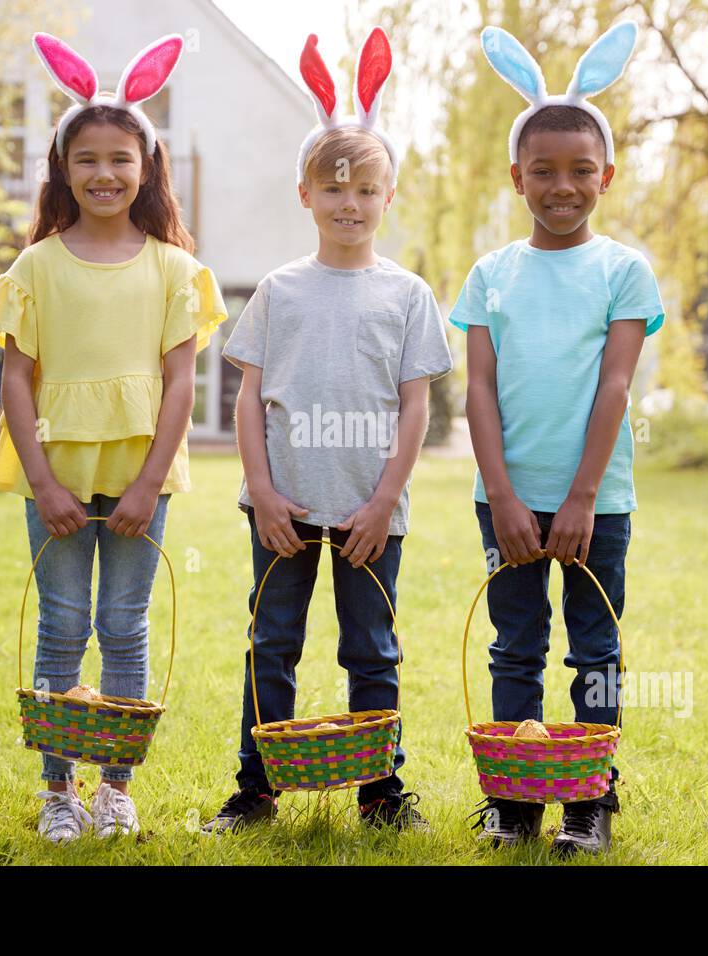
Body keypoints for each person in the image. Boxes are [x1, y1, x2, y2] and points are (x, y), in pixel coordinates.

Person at [200, 29, 453, 834]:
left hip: (368, 512)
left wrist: (385, 500)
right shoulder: (278, 291)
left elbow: (416, 407)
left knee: (371, 650)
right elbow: (249, 400)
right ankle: (256, 787)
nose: (351, 202)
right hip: (282, 506)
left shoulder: (408, 294)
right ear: (304, 194)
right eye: (334, 188)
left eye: (367, 190)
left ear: (386, 197)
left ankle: (381, 793)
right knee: (271, 642)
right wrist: (264, 493)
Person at [0, 32, 225, 844]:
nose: (104, 174)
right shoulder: (35, 268)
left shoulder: (174, 271)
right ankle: (59, 791)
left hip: (138, 475)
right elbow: (17, 380)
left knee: (124, 624)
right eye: (86, 159)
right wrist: (44, 482)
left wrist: (151, 482)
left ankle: (115, 787)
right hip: (54, 474)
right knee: (60, 626)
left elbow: (183, 382)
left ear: (147, 168)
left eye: (121, 159)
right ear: (63, 170)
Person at [452, 23, 663, 855]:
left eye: (580, 171)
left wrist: (580, 497)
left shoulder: (623, 272)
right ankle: (514, 800)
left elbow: (614, 387)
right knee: (515, 647)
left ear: (605, 176)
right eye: (544, 171)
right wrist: (502, 494)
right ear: (517, 179)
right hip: (505, 498)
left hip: (595, 501)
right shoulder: (490, 275)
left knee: (596, 649)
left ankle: (589, 800)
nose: (562, 186)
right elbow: (475, 389)